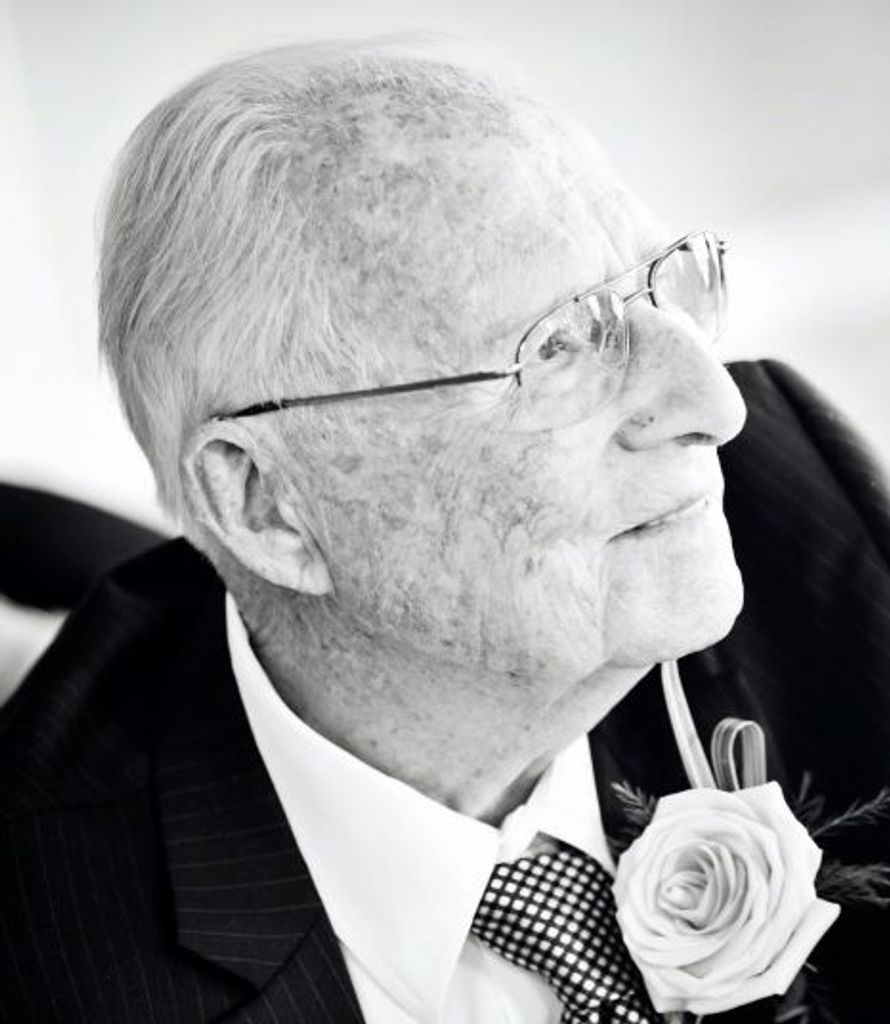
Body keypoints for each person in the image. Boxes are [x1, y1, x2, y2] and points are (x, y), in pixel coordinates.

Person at [1, 36, 888, 1024]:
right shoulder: (44, 964)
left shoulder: (794, 505)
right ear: (267, 502)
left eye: (659, 284)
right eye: (557, 348)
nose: (714, 407)